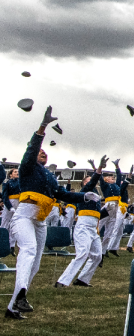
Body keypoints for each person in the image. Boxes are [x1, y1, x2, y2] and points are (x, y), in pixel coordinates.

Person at [6, 106, 93, 320]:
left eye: (46, 153)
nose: (43, 153)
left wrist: (84, 197)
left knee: (35, 263)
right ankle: (20, 297)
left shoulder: (49, 176)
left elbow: (61, 193)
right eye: (40, 152)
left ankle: (13, 305)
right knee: (28, 249)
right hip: (25, 215)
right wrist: (42, 127)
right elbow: (32, 148)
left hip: (40, 220)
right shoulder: (27, 167)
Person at [54, 157, 107, 289]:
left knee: (97, 256)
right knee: (82, 253)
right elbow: (93, 182)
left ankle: (82, 279)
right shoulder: (84, 192)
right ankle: (62, 281)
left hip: (93, 227)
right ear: (83, 184)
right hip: (83, 226)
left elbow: (98, 214)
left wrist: (107, 210)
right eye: (88, 180)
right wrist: (99, 169)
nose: (91, 182)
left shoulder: (95, 195)